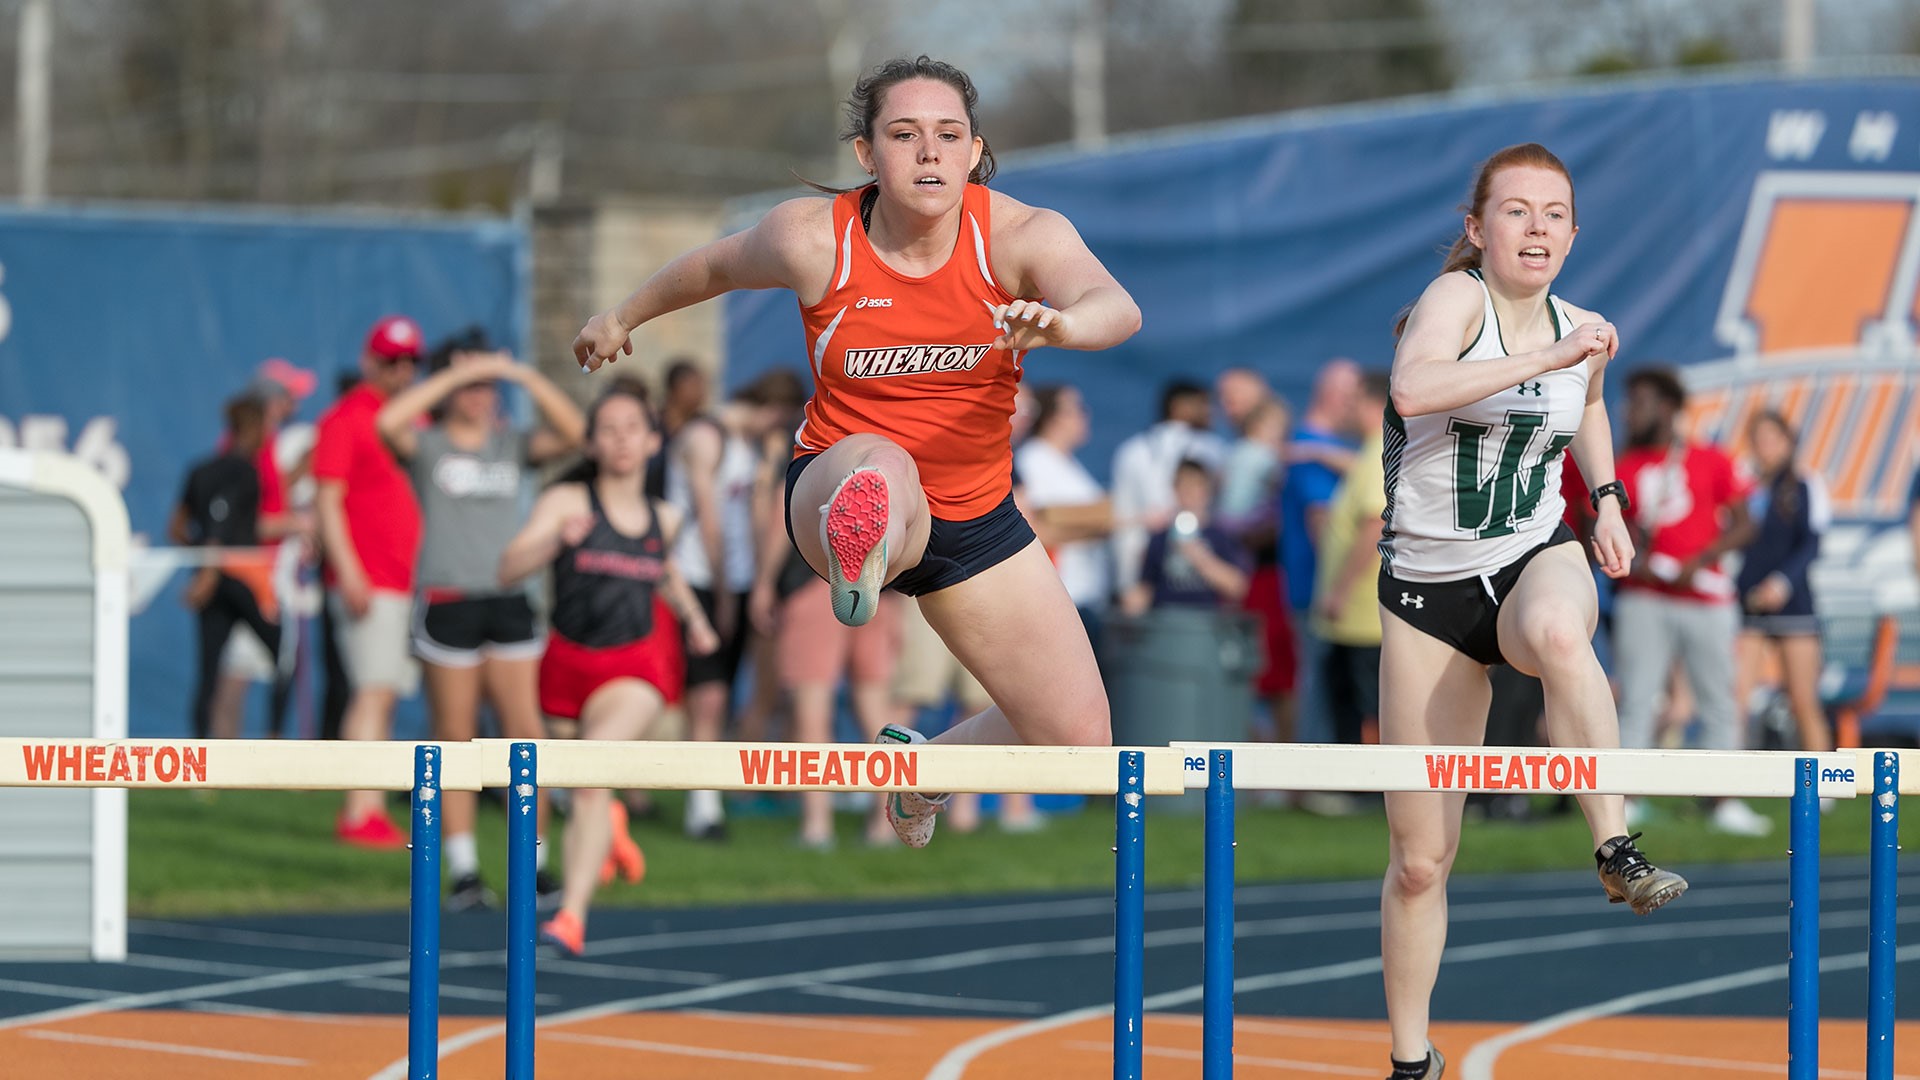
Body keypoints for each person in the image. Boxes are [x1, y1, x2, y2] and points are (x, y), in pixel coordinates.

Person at [573, 56, 1141, 849]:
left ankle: (928, 771)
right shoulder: (813, 239)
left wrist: (1067, 324)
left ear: (974, 151)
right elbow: (710, 267)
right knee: (886, 463)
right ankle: (863, 540)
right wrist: (620, 315)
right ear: (867, 155)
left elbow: (1116, 304)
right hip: (837, 479)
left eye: (948, 136)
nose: (930, 153)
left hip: (973, 519)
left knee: (1081, 745)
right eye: (905, 136)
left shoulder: (1018, 235)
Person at [1377, 143, 1687, 1080]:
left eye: (1555, 213)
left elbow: (1585, 407)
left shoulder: (1584, 328)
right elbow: (1412, 387)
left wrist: (1609, 499)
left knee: (1562, 634)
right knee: (1422, 861)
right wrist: (1549, 354)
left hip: (1529, 557)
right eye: (1517, 211)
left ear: (1574, 233)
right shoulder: (1457, 302)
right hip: (1426, 595)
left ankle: (1615, 844)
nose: (1538, 228)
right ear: (1478, 229)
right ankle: (1409, 1058)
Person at [498, 385, 719, 957]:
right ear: (592, 442)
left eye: (632, 428)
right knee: (581, 783)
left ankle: (570, 916)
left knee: (590, 772)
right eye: (609, 429)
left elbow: (663, 571)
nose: (621, 439)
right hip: (566, 663)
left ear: (652, 441)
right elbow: (506, 568)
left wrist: (694, 620)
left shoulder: (664, 516)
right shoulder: (566, 502)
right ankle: (609, 827)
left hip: (635, 666)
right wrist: (553, 541)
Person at [376, 328, 585, 909]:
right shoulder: (430, 444)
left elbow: (574, 432)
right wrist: (454, 377)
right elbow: (388, 424)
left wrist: (516, 374)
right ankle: (464, 869)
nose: (480, 395)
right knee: (455, 739)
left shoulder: (509, 443)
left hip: (509, 598)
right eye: (471, 386)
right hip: (448, 601)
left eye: (487, 386)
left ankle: (535, 865)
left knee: (526, 736)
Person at [1614, 366, 1768, 836]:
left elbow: (1745, 524)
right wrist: (1631, 559)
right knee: (1638, 700)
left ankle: (1724, 801)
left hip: (1706, 598)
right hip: (1644, 597)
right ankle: (1625, 801)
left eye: (1638, 400)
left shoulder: (1712, 459)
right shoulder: (1622, 466)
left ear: (1665, 407)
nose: (1628, 411)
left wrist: (1699, 561)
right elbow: (1606, 529)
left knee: (1719, 699)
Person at [312, 315, 424, 848]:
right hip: (369, 577)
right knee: (372, 692)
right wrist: (349, 569)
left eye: (409, 361)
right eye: (392, 360)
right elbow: (327, 501)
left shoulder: (402, 421)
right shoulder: (345, 419)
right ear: (369, 360)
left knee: (382, 695)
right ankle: (360, 810)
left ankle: (369, 804)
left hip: (398, 578)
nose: (402, 370)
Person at [664, 379, 773, 841]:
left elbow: (751, 517)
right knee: (705, 696)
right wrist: (726, 592)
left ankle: (703, 798)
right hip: (699, 577)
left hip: (736, 577)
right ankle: (703, 807)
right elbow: (709, 518)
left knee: (717, 695)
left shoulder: (749, 447)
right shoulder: (707, 437)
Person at [171, 396, 296, 740]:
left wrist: (199, 558)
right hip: (242, 579)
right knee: (284, 657)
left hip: (214, 577)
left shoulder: (200, 470)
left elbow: (178, 526)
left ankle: (199, 761)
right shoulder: (242, 471)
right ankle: (274, 742)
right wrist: (211, 567)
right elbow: (221, 522)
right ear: (254, 429)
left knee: (208, 671)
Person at [1303, 372, 1392, 816]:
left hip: (1362, 613)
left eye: (1355, 399)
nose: (1348, 410)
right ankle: (1355, 787)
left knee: (1365, 703)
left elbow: (1374, 524)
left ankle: (1369, 791)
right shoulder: (1368, 452)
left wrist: (1339, 590)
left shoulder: (1378, 451)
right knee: (1350, 698)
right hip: (1354, 614)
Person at [1732, 411, 1832, 754]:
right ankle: (1725, 792)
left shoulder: (1807, 485)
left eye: (1772, 439)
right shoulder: (1744, 487)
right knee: (1736, 697)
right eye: (1758, 440)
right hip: (1748, 603)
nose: (1766, 448)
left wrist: (1781, 583)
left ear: (1788, 442)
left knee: (1803, 699)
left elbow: (1812, 544)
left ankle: (1825, 782)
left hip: (1794, 605)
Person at [1280, 359, 1360, 745]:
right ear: (1337, 397)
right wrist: (1339, 587)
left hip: (1315, 586)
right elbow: (1320, 523)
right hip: (1318, 588)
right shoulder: (1312, 448)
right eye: (1353, 397)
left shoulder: (1316, 448)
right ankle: (1312, 777)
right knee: (1321, 683)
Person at [1015, 384, 1113, 640]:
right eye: (1077, 409)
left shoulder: (1067, 463)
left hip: (1085, 591)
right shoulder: (1034, 459)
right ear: (1053, 417)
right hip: (1059, 593)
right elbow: (1036, 523)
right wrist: (1102, 521)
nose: (1085, 415)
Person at [1109, 380, 1225, 595]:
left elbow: (1121, 512)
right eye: (1203, 404)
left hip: (1138, 565)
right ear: (1179, 407)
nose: (1211, 412)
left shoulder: (1130, 450)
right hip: (1200, 569)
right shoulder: (1210, 447)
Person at [1121, 459, 1250, 614]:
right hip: (1166, 623)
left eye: (1195, 485)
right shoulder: (1160, 538)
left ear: (1207, 491)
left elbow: (1236, 587)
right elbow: (1146, 588)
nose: (1188, 493)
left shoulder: (1219, 536)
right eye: (1183, 486)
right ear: (1174, 489)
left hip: (1206, 624)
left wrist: (1197, 555)